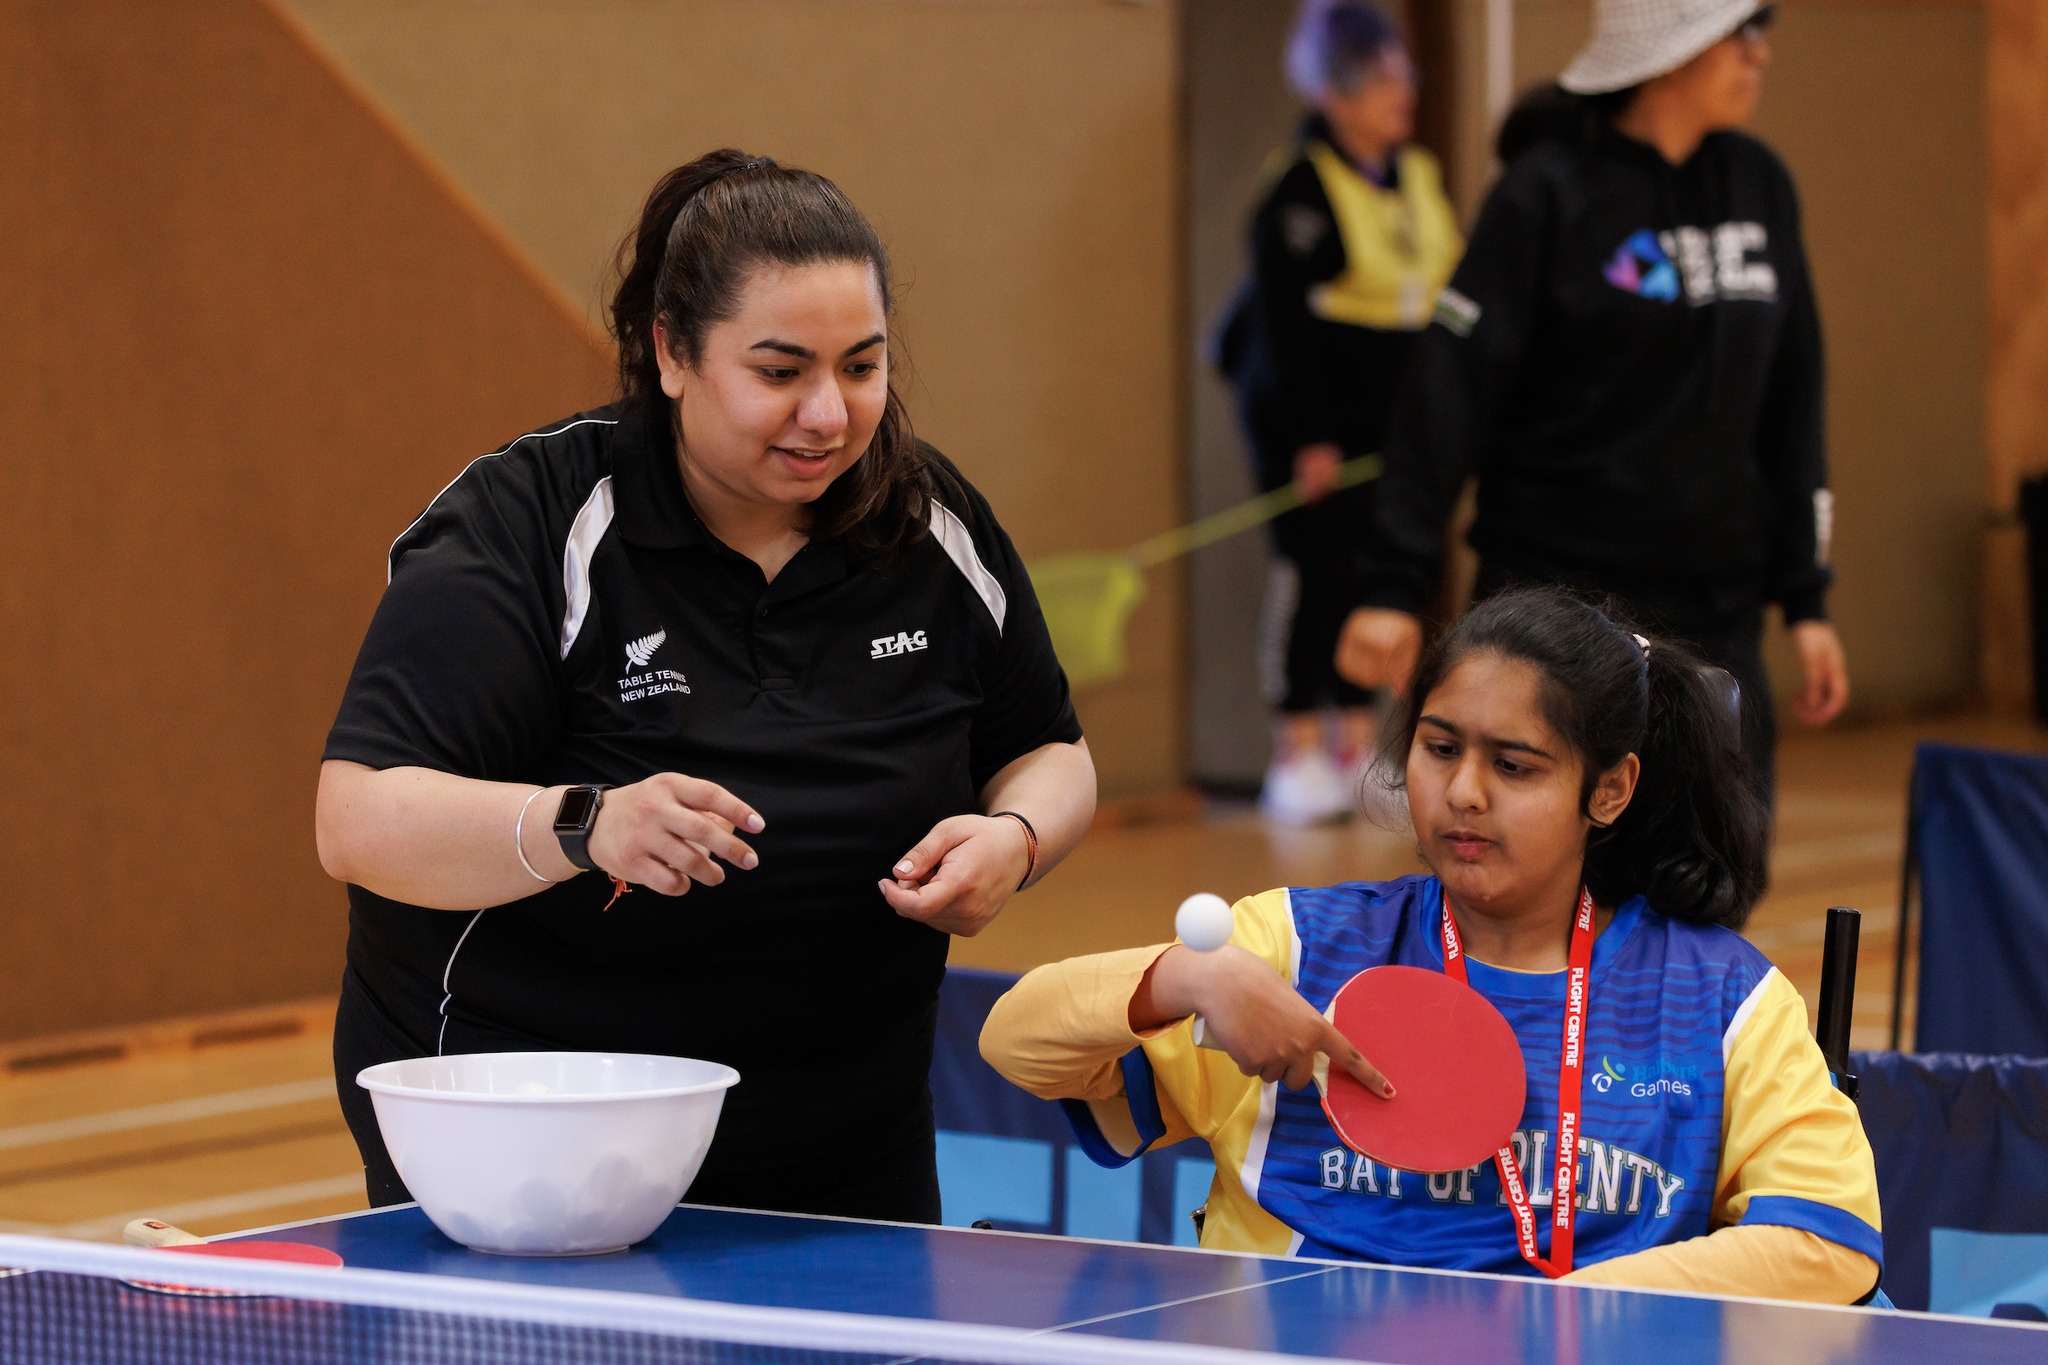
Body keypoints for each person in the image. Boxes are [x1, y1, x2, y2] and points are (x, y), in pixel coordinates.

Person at [316, 150, 1097, 1223]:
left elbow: (1051, 750)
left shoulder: (928, 523)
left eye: (861, 367)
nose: (828, 414)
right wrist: (583, 824)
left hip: (846, 1139)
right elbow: (357, 818)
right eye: (779, 372)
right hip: (538, 1140)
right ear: (670, 352)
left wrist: (1015, 838)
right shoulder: (532, 524)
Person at [982, 588, 1881, 1301]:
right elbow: (1013, 1043)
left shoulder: (1720, 997)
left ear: (1609, 790)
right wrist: (1182, 978)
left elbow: (1829, 1239)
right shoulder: (1302, 945)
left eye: (1514, 765)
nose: (1463, 792)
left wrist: (1566, 1315)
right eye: (1439, 748)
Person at [1334, 0, 1847, 807]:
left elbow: (1795, 394)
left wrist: (1807, 595)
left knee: (1712, 883)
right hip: (1556, 610)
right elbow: (1447, 392)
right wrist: (1393, 582)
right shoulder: (1544, 194)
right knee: (1545, 883)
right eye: (1741, 33)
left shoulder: (1760, 184)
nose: (1761, 55)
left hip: (1718, 613)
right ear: (1676, 52)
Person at [1214, 0, 1461, 824]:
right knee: (1316, 575)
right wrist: (1309, 435)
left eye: (1404, 76)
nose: (1403, 93)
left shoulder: (1418, 178)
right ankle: (1300, 752)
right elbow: (1282, 331)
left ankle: (1357, 745)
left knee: (1375, 575)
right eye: (1384, 79)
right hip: (1309, 426)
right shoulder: (1298, 188)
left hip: (1390, 428)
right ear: (1339, 92)